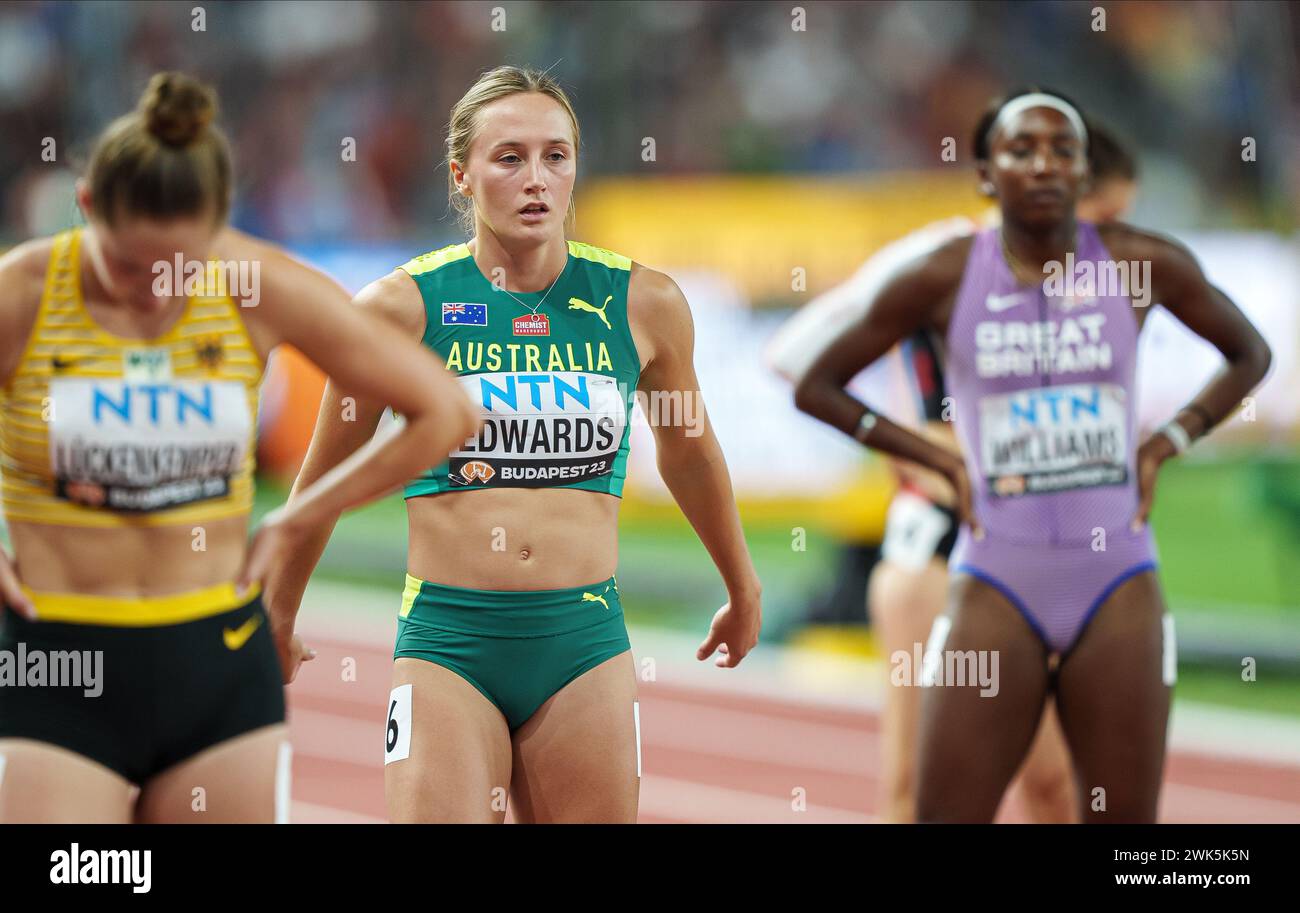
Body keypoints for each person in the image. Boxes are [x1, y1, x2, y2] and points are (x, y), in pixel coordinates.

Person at [264, 65, 763, 824]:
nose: (537, 179)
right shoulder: (400, 308)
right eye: (510, 158)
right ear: (462, 174)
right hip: (447, 641)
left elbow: (689, 452)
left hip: (585, 641)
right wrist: (280, 609)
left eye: (555, 156)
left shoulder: (644, 304)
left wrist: (742, 584)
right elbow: (321, 479)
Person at [0, 72, 477, 823]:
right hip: (59, 659)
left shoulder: (252, 283)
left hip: (216, 664)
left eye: (182, 268)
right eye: (127, 267)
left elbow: (444, 410)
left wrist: (300, 515)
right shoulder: (24, 294)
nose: (156, 295)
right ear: (87, 207)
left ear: (220, 225)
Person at [793, 88, 1272, 823]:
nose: (1044, 165)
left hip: (1118, 581)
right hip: (996, 580)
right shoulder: (945, 272)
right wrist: (937, 457)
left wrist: (1167, 441)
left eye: (1062, 151)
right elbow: (815, 382)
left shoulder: (1140, 263)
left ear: (1084, 172)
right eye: (1022, 150)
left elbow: (1250, 353)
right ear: (986, 173)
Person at [768, 121, 1140, 823]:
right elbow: (792, 357)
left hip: (1040, 548)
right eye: (1110, 217)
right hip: (936, 542)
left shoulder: (1084, 286)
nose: (1117, 237)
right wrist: (924, 449)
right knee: (917, 787)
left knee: (1058, 783)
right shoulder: (937, 257)